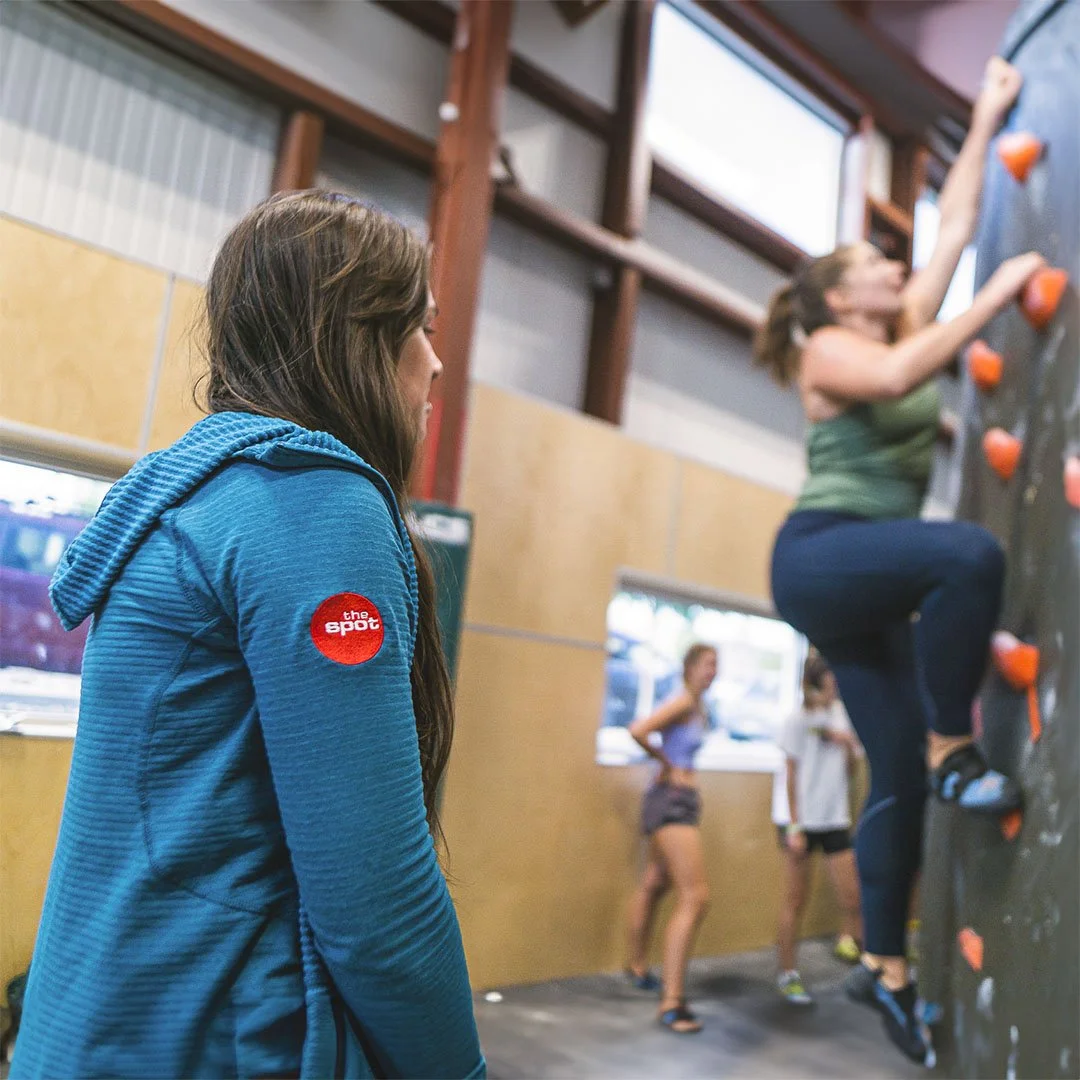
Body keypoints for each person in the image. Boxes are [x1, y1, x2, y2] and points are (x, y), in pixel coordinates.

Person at [12, 192, 485, 1079]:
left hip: (94, 1022)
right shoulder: (313, 506)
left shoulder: (193, 493)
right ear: (357, 337)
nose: (438, 363)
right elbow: (376, 898)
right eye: (418, 328)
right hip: (204, 1038)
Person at [757, 57, 1043, 1065]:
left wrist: (990, 116)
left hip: (864, 575)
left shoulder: (905, 315)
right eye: (871, 264)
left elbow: (956, 223)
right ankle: (951, 744)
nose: (892, 265)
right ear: (839, 295)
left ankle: (884, 968)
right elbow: (897, 372)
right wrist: (996, 298)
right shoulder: (828, 350)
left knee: (892, 783)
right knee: (966, 556)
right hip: (821, 558)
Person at [624, 643, 718, 1034]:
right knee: (695, 897)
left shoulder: (697, 705)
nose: (714, 672)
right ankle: (672, 1002)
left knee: (654, 884)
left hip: (674, 801)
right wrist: (668, 765)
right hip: (672, 802)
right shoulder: (683, 702)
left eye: (717, 666)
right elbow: (639, 730)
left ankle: (637, 965)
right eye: (709, 665)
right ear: (690, 667)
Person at [772, 650, 863, 1007]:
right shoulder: (796, 719)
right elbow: (789, 776)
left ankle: (859, 957)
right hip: (800, 821)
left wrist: (848, 749)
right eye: (834, 675)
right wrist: (794, 826)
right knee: (795, 900)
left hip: (834, 819)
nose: (839, 681)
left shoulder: (843, 715)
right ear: (819, 679)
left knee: (852, 895)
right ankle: (787, 974)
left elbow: (852, 772)